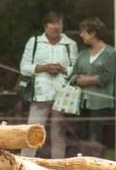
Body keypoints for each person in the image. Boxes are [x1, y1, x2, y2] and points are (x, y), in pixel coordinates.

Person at [20, 11, 78, 158]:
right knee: (32, 131)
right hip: (40, 94)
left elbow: (76, 71)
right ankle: (26, 164)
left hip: (62, 96)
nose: (57, 27)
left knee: (58, 134)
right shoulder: (34, 42)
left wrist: (62, 69)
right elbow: (24, 67)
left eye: (59, 24)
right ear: (45, 26)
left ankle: (58, 167)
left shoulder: (70, 44)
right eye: (53, 24)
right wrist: (44, 68)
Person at [70, 18, 116, 156]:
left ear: (93, 33)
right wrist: (78, 79)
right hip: (82, 103)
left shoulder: (110, 53)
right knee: (82, 137)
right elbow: (73, 76)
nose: (81, 35)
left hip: (100, 103)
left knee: (96, 137)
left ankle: (97, 166)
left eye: (83, 32)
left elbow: (107, 76)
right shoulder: (83, 54)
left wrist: (88, 80)